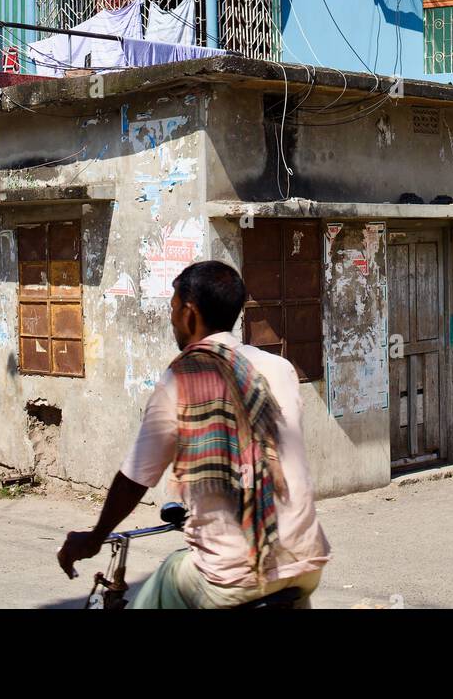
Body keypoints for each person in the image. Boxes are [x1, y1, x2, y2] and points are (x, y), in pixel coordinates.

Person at [57, 260, 330, 608]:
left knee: (171, 571)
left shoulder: (182, 379)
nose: (171, 320)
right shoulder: (279, 369)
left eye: (173, 309)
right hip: (304, 561)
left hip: (231, 575)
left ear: (189, 314)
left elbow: (135, 478)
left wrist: (95, 537)